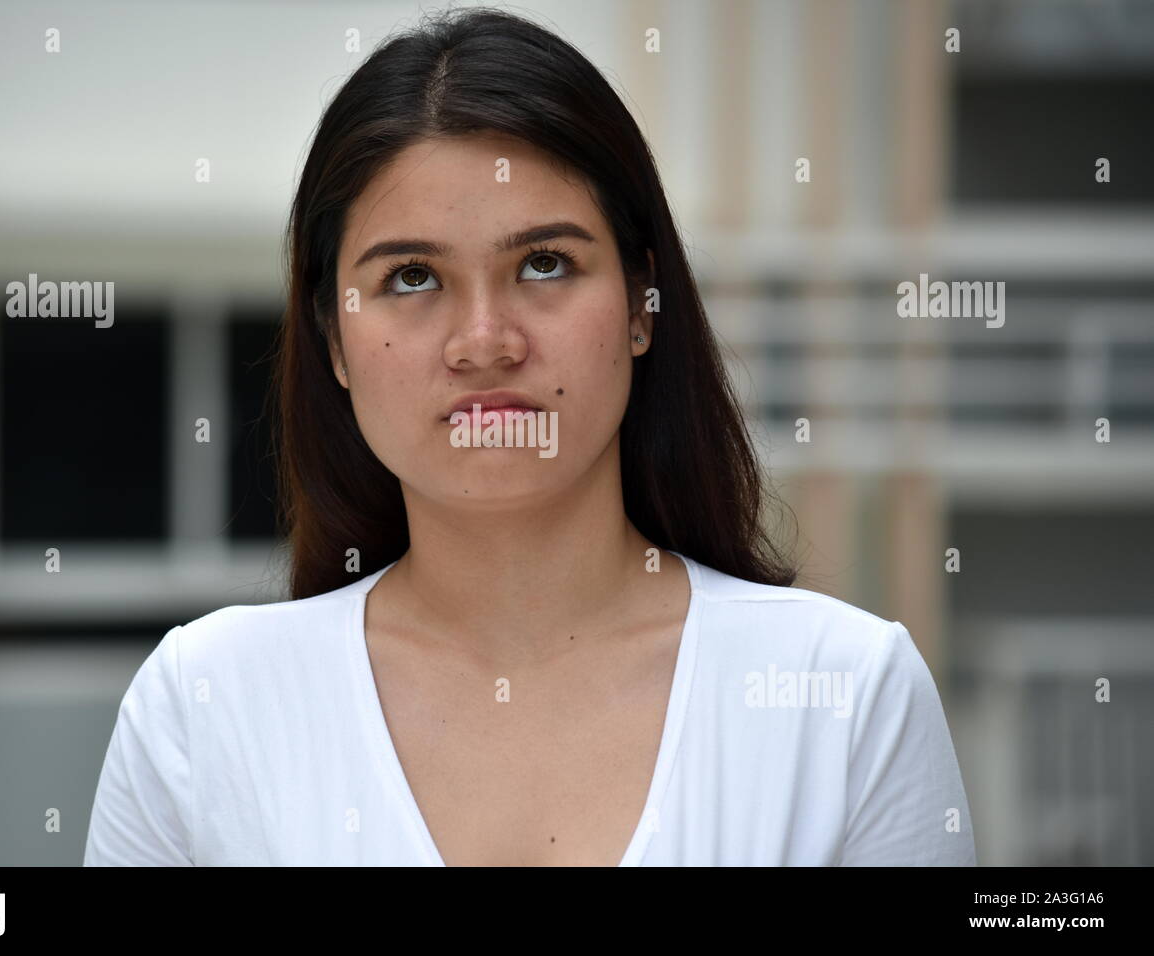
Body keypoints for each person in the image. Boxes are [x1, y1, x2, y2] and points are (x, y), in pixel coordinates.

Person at [84, 7, 976, 866]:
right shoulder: (204, 711)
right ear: (334, 341)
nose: (486, 342)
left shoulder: (846, 697)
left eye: (545, 264)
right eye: (411, 277)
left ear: (640, 305)